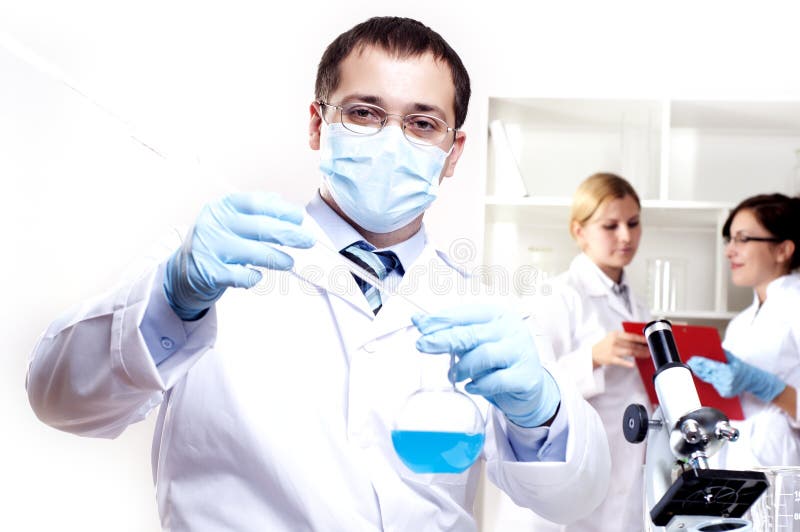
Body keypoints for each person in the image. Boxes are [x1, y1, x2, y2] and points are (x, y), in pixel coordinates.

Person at [26, 17, 610, 531]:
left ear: (452, 152)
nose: (391, 140)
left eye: (422, 123)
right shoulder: (210, 265)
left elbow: (574, 497)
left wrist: (542, 411)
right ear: (317, 124)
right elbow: (58, 400)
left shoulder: (487, 303)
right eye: (364, 113)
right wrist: (173, 300)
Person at [527, 173, 652, 531]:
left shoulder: (638, 306)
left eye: (633, 223)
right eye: (610, 226)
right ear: (579, 232)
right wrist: (592, 357)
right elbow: (531, 389)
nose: (626, 236)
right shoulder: (559, 296)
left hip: (628, 466)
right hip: (575, 466)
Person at [687, 193, 800, 469]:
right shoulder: (740, 323)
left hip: (782, 465)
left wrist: (770, 388)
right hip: (734, 461)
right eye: (730, 239)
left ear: (783, 250)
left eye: (743, 239)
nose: (729, 251)